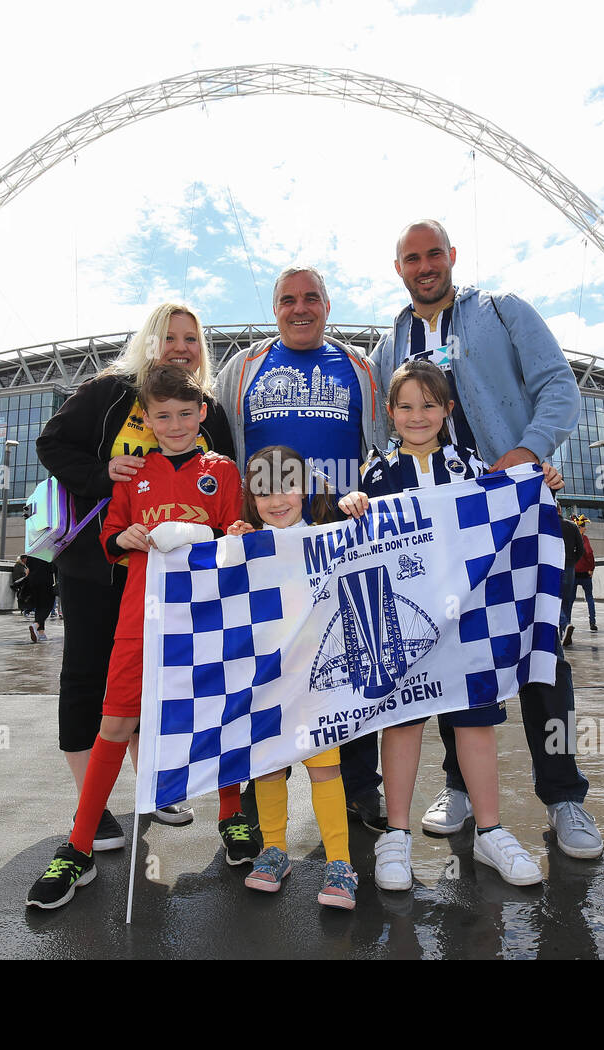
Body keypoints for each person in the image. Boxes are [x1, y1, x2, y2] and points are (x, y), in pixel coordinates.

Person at [370, 219, 601, 862]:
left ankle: (563, 797)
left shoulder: (502, 313)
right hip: (442, 531)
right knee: (448, 650)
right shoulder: (392, 341)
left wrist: (528, 452)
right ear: (399, 267)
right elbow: (388, 428)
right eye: (411, 257)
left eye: (433, 254)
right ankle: (458, 787)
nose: (424, 266)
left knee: (540, 657)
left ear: (452, 257)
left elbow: (557, 384)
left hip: (515, 516)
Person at [26, 366, 248, 909]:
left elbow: (233, 533)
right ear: (146, 420)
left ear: (202, 415)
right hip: (141, 617)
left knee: (219, 709)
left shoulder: (223, 471)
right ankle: (79, 845)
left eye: (185, 414)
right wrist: (122, 535)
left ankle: (231, 815)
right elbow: (109, 534)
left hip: (205, 615)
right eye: (162, 416)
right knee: (117, 719)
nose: (175, 424)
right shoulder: (134, 476)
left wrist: (233, 536)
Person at [340, 360, 554, 888]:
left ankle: (490, 831)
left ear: (448, 410)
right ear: (389, 413)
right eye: (406, 406)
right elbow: (359, 539)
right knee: (402, 721)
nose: (418, 415)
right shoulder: (377, 473)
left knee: (475, 723)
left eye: (429, 405)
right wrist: (353, 504)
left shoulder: (472, 468)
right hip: (403, 620)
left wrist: (538, 480)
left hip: (470, 620)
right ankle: (396, 835)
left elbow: (507, 510)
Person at [213, 266, 386, 831]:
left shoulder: (359, 368)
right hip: (269, 542)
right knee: (267, 665)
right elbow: (222, 446)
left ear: (328, 305)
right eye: (288, 300)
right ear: (274, 307)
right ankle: (264, 799)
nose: (300, 308)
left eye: (311, 297)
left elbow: (381, 446)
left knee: (351, 659)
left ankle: (361, 790)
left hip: (341, 537)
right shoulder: (243, 368)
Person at [226, 445, 358, 910]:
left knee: (324, 766)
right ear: (251, 497)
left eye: (285, 486)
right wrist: (233, 546)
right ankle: (273, 850)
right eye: (262, 491)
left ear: (303, 488)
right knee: (267, 764)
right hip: (264, 681)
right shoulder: (243, 542)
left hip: (318, 681)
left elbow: (370, 541)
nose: (276, 500)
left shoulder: (327, 535)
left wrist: (357, 504)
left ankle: (340, 862)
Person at [558, 512, 584, 647]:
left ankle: (565, 625)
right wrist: (572, 561)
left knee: (553, 599)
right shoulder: (572, 526)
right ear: (560, 511)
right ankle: (565, 630)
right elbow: (581, 549)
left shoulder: (546, 525)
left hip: (552, 567)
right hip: (569, 566)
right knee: (567, 600)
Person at [572, 514, 597, 633]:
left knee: (570, 599)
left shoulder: (571, 539)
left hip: (573, 573)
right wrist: (591, 568)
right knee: (589, 598)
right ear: (581, 528)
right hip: (585, 574)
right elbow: (589, 553)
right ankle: (592, 622)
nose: (585, 528)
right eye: (584, 526)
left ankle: (567, 622)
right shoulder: (584, 539)